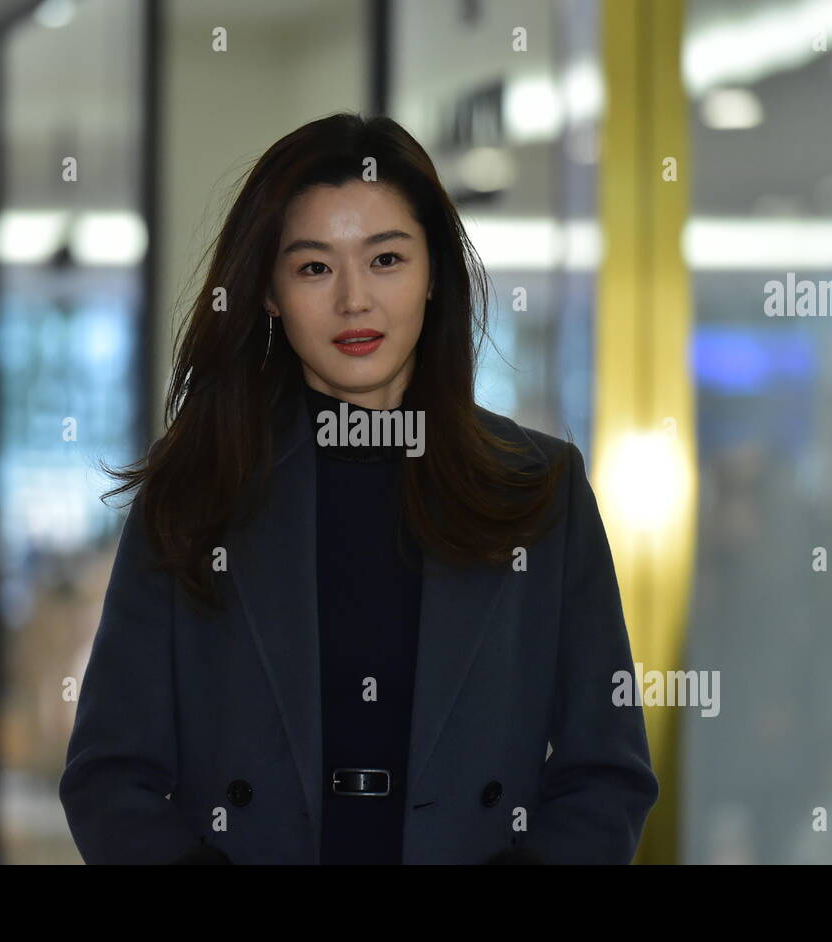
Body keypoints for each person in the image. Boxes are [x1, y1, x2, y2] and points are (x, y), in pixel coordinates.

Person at [59, 112, 659, 864]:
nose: (353, 301)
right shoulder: (194, 495)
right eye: (314, 267)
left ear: (434, 270)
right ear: (270, 292)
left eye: (385, 260)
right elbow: (110, 775)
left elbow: (605, 775)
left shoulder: (540, 492)